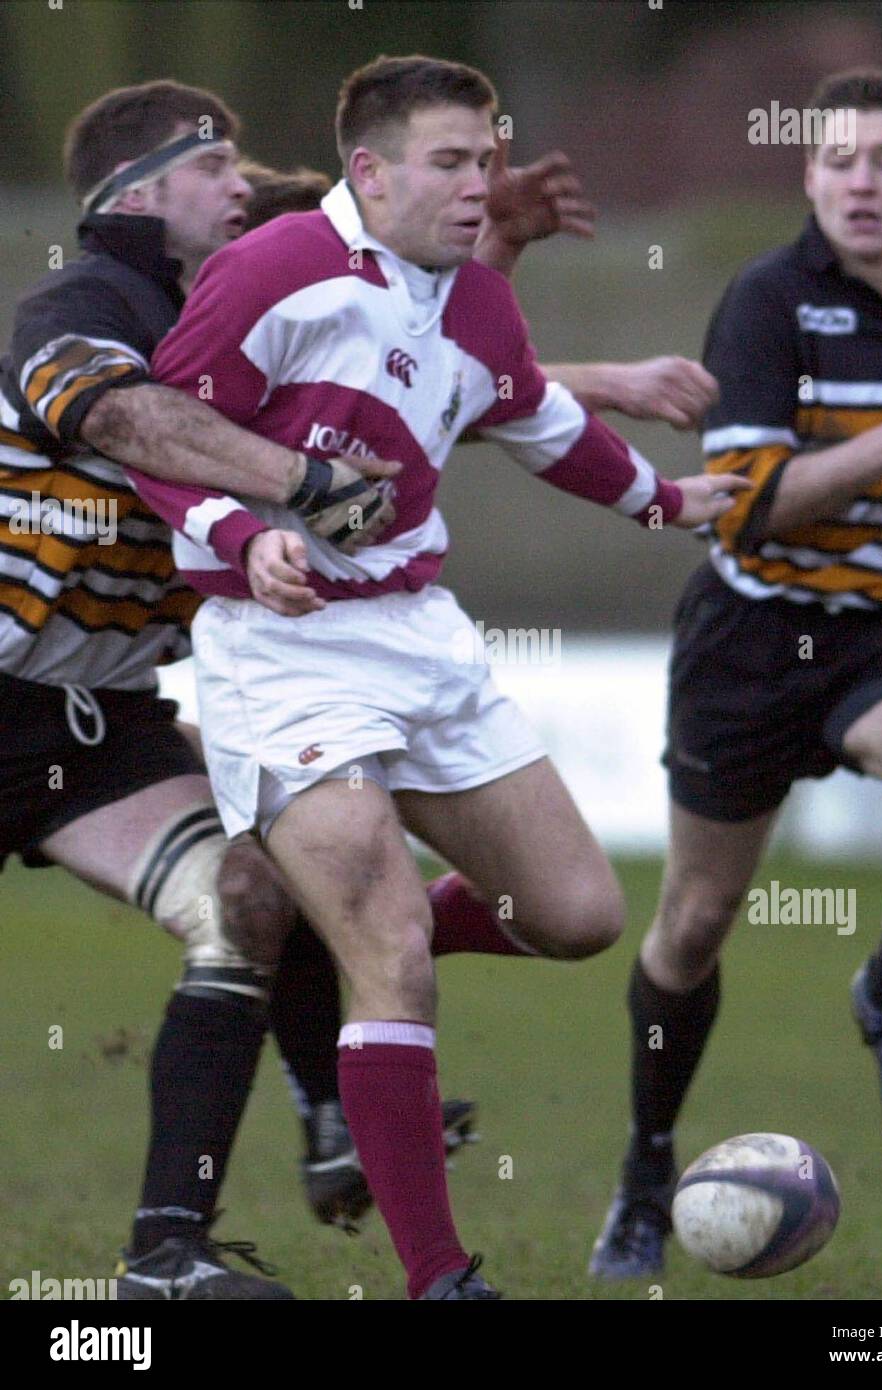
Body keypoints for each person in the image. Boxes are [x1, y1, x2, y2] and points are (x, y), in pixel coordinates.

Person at [126, 53, 747, 1300]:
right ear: (372, 170)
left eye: (490, 159)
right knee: (393, 943)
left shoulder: (473, 298)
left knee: (576, 916)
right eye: (453, 163)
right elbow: (158, 438)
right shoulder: (277, 268)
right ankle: (438, 1275)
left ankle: (337, 941)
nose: (482, 187)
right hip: (283, 653)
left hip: (421, 637)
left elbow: (540, 425)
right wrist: (250, 538)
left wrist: (669, 501)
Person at [0, 78, 561, 1297]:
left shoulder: (247, 302)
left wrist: (527, 289)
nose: (245, 182)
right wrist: (305, 485)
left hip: (96, 720)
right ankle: (330, 1107)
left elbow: (414, 374)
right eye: (220, 165)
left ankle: (167, 1253)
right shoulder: (82, 306)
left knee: (258, 888)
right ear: (138, 195)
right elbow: (126, 420)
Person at [589, 67, 882, 1281]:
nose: (861, 185)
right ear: (810, 178)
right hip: (755, 639)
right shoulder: (770, 303)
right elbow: (751, 518)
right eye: (838, 164)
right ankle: (646, 1163)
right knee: (694, 921)